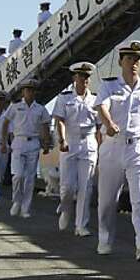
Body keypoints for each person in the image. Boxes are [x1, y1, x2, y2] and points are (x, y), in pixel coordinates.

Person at [96, 39, 140, 257]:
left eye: (137, 59)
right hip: (113, 147)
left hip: (138, 148)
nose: (133, 63)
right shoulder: (109, 86)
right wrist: (109, 123)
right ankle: (105, 239)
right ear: (121, 61)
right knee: (107, 200)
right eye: (129, 58)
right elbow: (101, 106)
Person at [52, 61, 100, 237]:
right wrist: (62, 140)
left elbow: (100, 125)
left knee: (86, 187)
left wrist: (100, 148)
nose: (85, 79)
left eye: (87, 76)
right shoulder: (64, 98)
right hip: (70, 143)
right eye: (81, 76)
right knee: (68, 187)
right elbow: (60, 121)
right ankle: (65, 208)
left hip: (88, 143)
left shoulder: (95, 99)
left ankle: (81, 225)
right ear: (74, 78)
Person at [1, 80, 51, 218]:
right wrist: (4, 142)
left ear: (35, 92)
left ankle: (25, 208)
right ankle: (16, 201)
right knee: (18, 176)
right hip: (18, 141)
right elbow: (5, 123)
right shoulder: (15, 107)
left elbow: (45, 125)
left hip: (33, 143)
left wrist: (46, 143)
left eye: (32, 90)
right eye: (27, 90)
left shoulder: (40, 109)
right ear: (23, 92)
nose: (30, 92)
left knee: (30, 178)